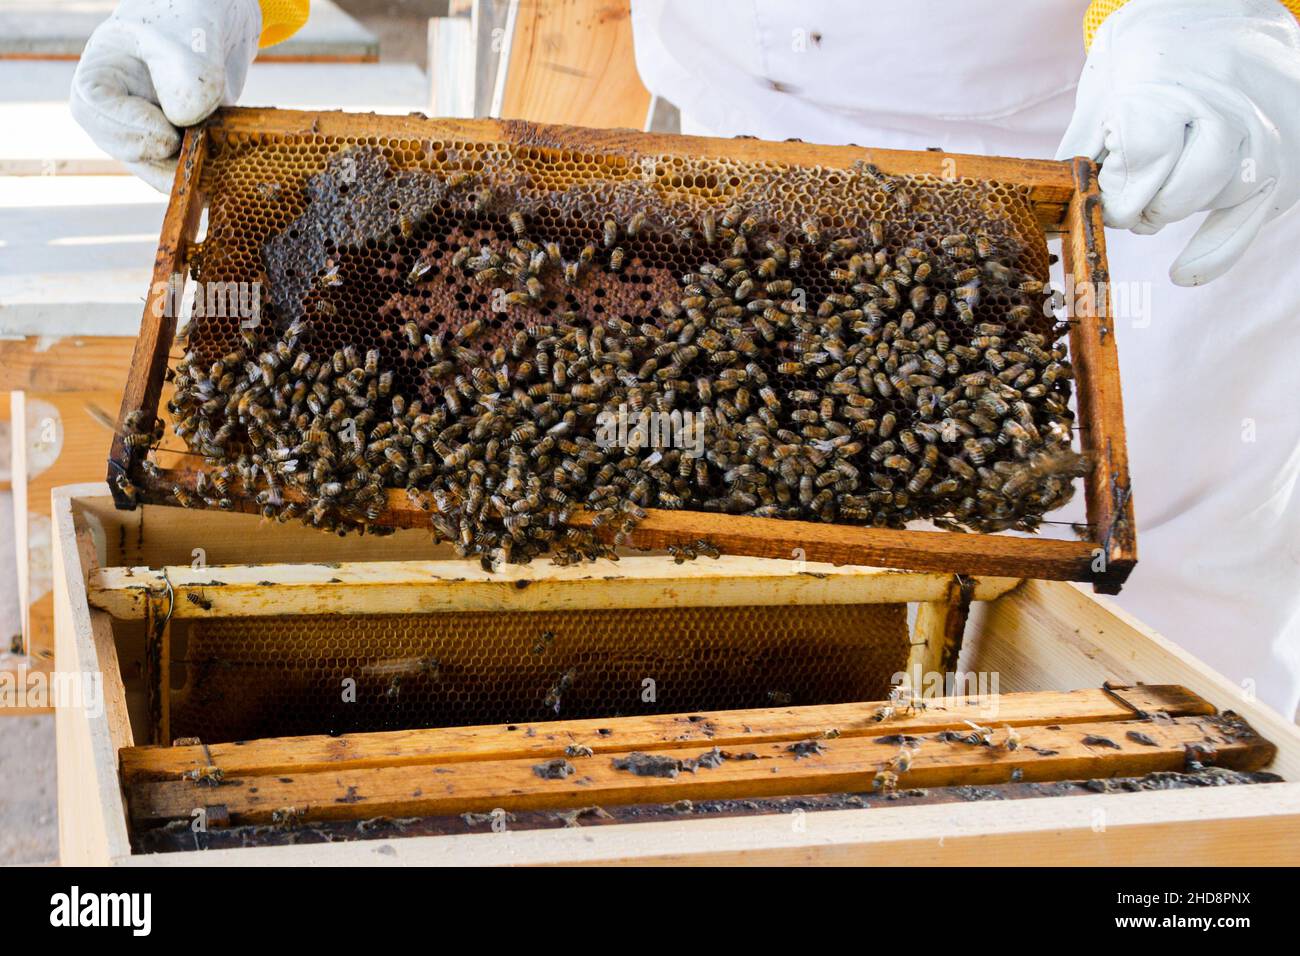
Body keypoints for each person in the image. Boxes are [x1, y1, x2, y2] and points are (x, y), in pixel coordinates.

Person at [70, 0, 1300, 718]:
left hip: (1126, 180)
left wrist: (1224, 30)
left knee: (1151, 692)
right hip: (730, 178)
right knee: (779, 637)